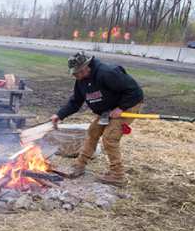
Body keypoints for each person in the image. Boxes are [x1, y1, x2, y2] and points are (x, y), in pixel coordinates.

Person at [50, 52, 143, 186]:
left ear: (86, 67)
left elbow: (135, 92)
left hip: (128, 106)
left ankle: (118, 175)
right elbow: (76, 102)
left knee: (110, 137)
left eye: (77, 73)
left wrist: (121, 108)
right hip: (108, 110)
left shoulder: (107, 73)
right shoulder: (81, 81)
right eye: (74, 73)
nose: (75, 76)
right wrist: (59, 115)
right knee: (93, 132)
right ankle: (79, 165)